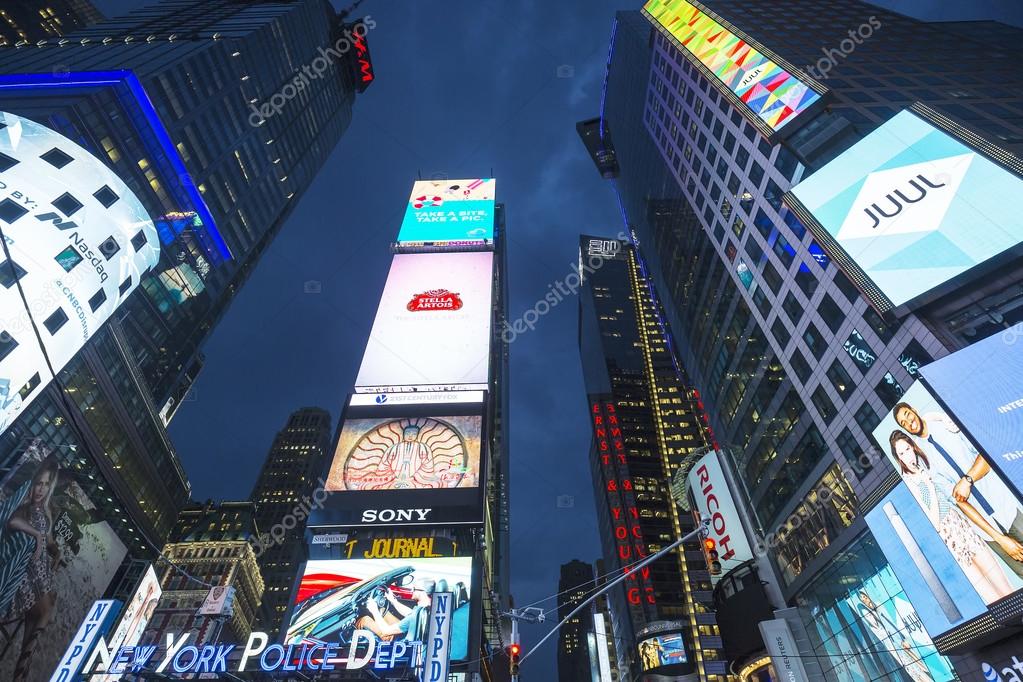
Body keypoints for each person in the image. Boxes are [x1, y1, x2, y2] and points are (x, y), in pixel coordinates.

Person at [894, 401, 1023, 575]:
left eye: (908, 415)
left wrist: (967, 480)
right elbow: (959, 501)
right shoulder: (924, 460)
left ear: (914, 410)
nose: (909, 422)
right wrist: (999, 538)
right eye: (903, 423)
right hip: (988, 532)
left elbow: (985, 455)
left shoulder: (948, 424)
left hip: (1007, 509)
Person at [889, 430, 1013, 603]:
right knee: (988, 593)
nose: (906, 455)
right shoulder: (909, 482)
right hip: (948, 538)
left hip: (961, 525)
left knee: (1001, 581)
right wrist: (928, 485)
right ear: (898, 458)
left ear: (913, 447)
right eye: (901, 453)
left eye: (907, 449)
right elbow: (933, 522)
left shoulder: (925, 466)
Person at [4, 457, 61, 681]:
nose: (41, 489)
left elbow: (49, 540)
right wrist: (35, 534)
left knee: (40, 614)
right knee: (45, 611)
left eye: (46, 485)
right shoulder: (25, 503)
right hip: (23, 574)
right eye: (39, 483)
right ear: (34, 481)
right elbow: (11, 522)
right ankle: (20, 675)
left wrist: (56, 551)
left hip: (39, 574)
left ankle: (20, 672)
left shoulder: (45, 512)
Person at [362, 578, 435, 642]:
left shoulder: (415, 616)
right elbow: (409, 613)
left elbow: (386, 631)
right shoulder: (427, 609)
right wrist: (393, 600)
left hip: (397, 641)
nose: (412, 591)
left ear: (422, 592)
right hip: (405, 632)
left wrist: (374, 610)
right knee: (383, 610)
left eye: (414, 589)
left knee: (365, 619)